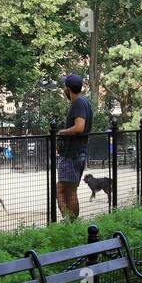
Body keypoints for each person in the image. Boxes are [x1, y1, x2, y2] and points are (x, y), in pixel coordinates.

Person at [54, 73, 93, 221]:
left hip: (72, 155)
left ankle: (70, 222)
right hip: (77, 152)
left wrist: (61, 132)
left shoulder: (78, 103)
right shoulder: (85, 102)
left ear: (68, 89)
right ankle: (70, 221)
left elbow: (79, 127)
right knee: (68, 190)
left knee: (66, 191)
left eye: (65, 86)